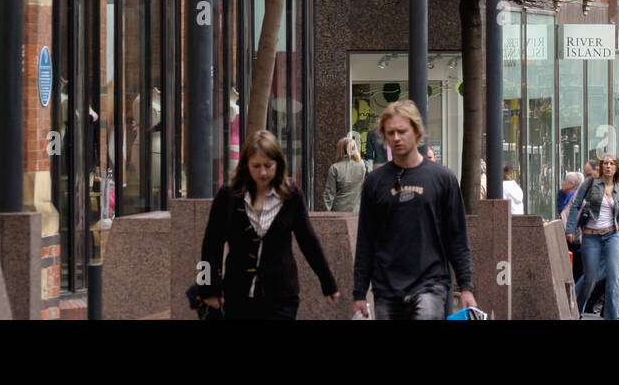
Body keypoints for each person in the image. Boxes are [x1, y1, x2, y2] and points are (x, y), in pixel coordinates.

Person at [352, 100, 476, 320]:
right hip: (386, 287)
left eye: (402, 131)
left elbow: (457, 236)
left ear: (416, 131)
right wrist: (359, 292)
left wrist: (466, 286)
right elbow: (366, 239)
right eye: (390, 133)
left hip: (430, 283)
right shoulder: (374, 182)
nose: (396, 138)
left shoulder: (443, 179)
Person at [200, 130, 340, 320]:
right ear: (246, 165)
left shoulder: (292, 196)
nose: (263, 172)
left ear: (279, 164)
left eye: (268, 165)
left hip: (282, 296)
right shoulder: (228, 196)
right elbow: (210, 245)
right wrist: (207, 288)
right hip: (237, 295)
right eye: (256, 166)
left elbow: (309, 242)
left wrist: (328, 282)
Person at [567, 154, 619, 319]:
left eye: (611, 164)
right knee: (590, 279)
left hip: (612, 236)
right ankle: (576, 312)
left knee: (614, 277)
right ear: (601, 167)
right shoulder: (591, 183)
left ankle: (611, 317)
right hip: (591, 236)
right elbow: (576, 204)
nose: (608, 166)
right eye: (605, 163)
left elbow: (618, 214)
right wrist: (570, 228)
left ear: (616, 168)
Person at [324, 135, 366, 213]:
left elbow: (329, 194)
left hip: (338, 211)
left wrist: (327, 213)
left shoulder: (334, 168)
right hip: (357, 210)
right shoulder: (362, 165)